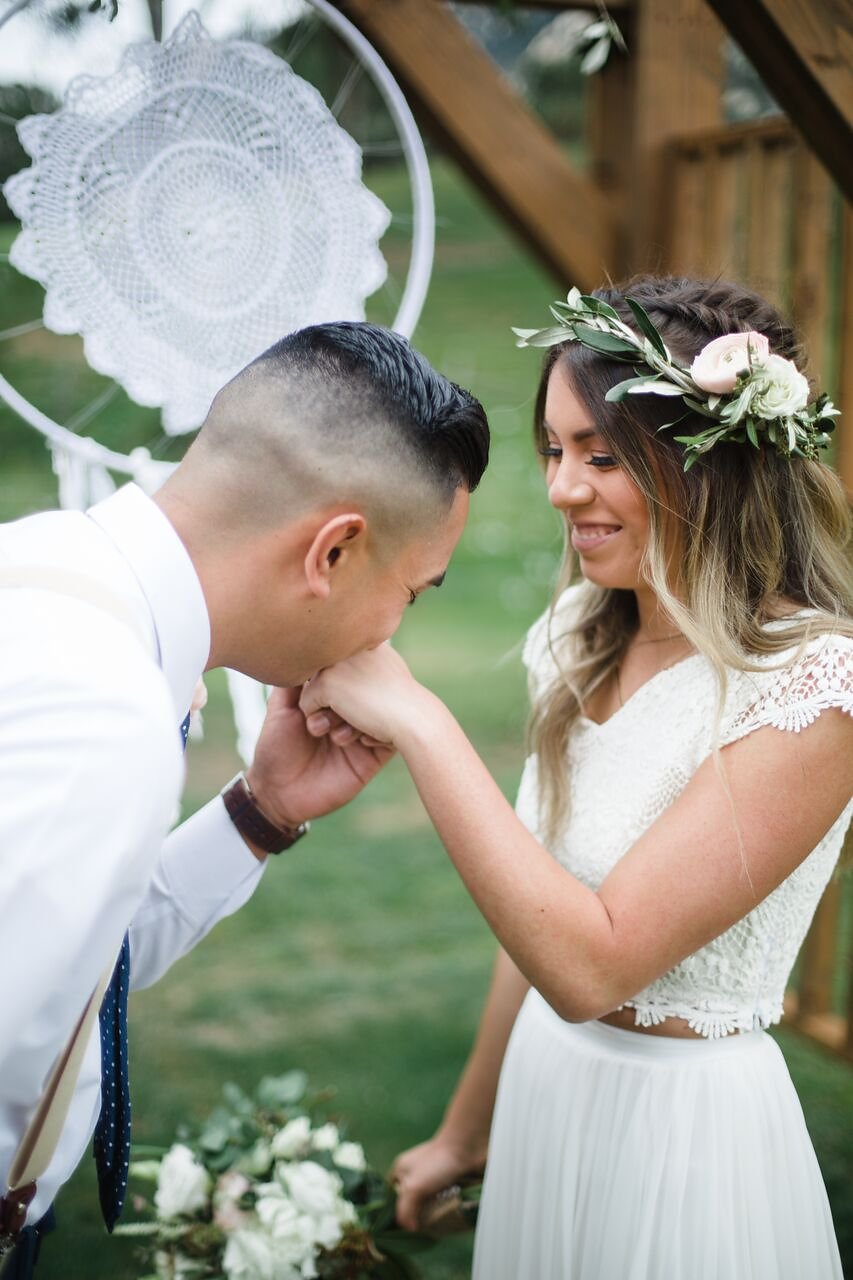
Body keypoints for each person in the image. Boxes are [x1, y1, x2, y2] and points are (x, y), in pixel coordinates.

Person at [299, 278, 853, 1279]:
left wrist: (422, 722)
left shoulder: (810, 688)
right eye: (554, 450)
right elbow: (539, 916)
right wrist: (467, 1131)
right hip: (548, 1090)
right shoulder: (573, 642)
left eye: (602, 456)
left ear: (715, 459)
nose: (561, 488)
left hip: (683, 1137)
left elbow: (593, 963)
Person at [0, 321, 489, 1270]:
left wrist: (260, 812)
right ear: (333, 551)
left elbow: (69, 971)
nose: (393, 631)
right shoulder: (101, 707)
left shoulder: (46, 563)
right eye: (412, 593)